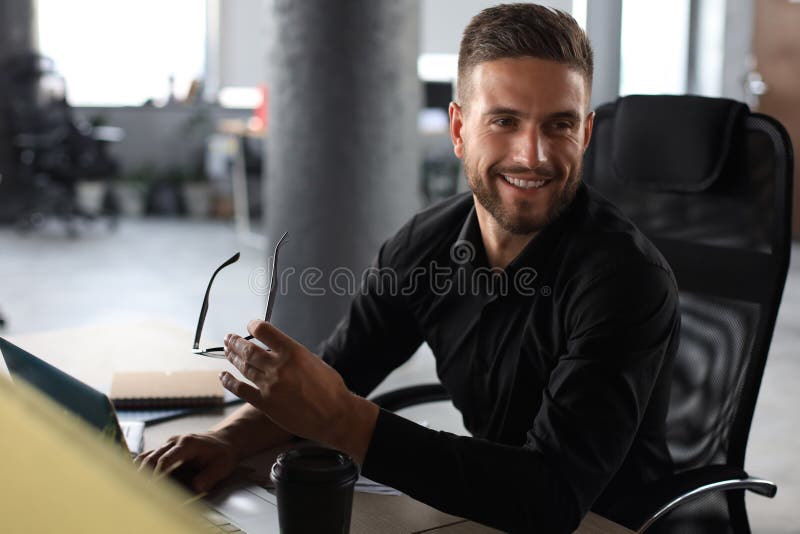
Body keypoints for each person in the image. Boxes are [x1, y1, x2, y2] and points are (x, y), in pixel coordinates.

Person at [137, 4, 680, 532]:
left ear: (584, 134)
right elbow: (340, 371)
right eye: (505, 121)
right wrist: (229, 439)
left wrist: (342, 419)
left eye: (558, 125)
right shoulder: (424, 247)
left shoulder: (624, 280)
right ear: (460, 129)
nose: (532, 154)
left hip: (607, 522)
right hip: (487, 510)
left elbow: (551, 498)